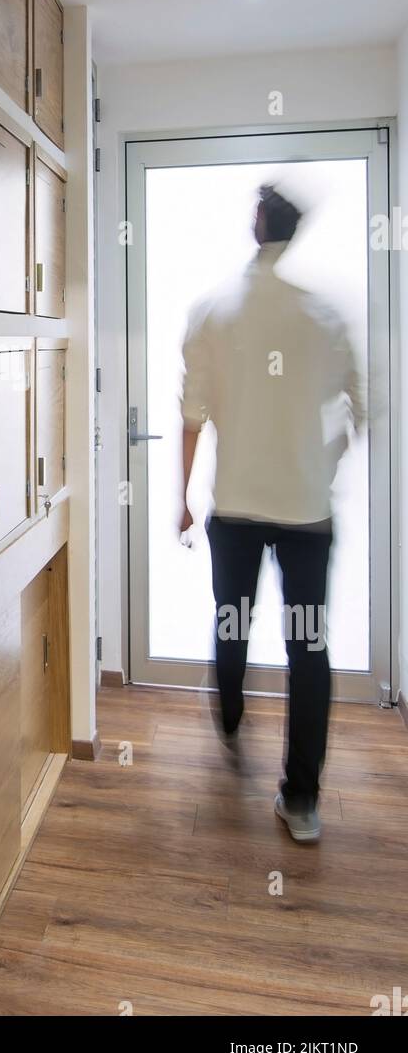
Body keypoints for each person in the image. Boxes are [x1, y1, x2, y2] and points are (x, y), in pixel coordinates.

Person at [179, 181, 365, 842]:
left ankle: (230, 723)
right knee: (307, 647)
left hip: (235, 510)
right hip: (306, 514)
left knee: (231, 623)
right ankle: (302, 800)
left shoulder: (212, 311)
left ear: (257, 221)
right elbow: (359, 406)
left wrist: (182, 500)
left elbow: (191, 416)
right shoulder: (325, 315)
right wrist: (326, 459)